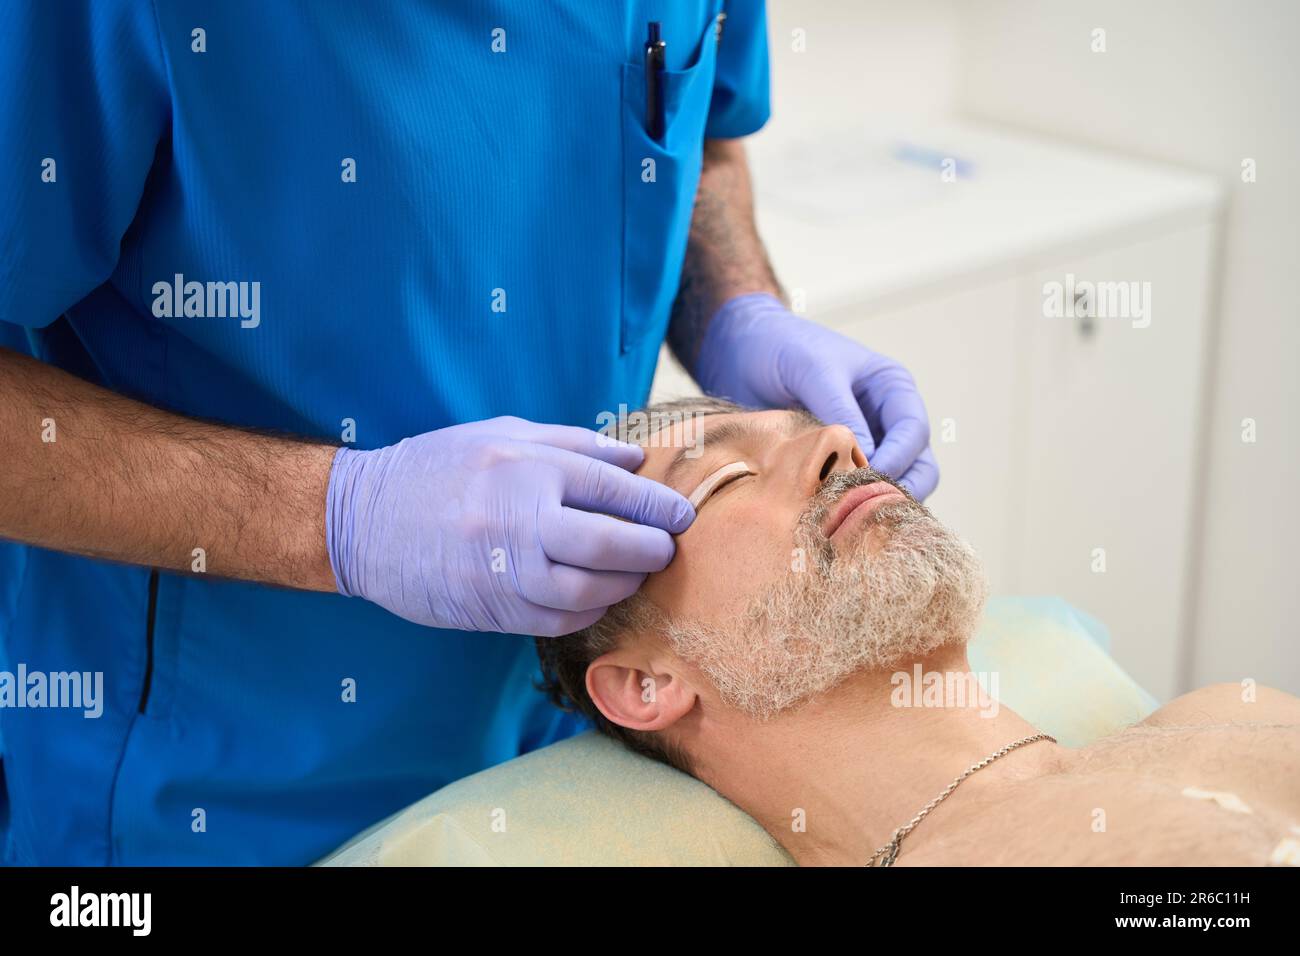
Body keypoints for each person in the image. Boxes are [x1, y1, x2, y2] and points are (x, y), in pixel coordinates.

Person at [0, 3, 937, 864]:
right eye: (718, 477)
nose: (832, 450)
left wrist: (738, 308)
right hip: (223, 794)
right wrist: (343, 516)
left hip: (548, 750)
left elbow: (703, 131)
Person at [538, 399, 1300, 866]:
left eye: (822, 431)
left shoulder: (1232, 710)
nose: (841, 440)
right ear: (647, 684)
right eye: (727, 477)